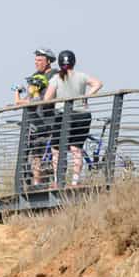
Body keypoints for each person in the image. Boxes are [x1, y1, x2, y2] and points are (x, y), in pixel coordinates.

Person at [42, 50, 102, 185]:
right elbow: (98, 83)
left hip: (63, 116)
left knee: (56, 149)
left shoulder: (56, 78)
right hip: (82, 116)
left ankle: (58, 181)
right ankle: (75, 181)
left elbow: (47, 98)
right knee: (76, 149)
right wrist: (86, 96)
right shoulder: (81, 76)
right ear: (74, 62)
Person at [14, 48, 57, 185]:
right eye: (35, 60)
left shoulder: (55, 75)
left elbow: (45, 98)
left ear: (48, 61)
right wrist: (20, 99)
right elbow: (31, 97)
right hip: (36, 122)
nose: (36, 63)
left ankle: (55, 184)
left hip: (50, 119)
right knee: (36, 154)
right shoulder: (34, 76)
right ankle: (37, 185)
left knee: (52, 153)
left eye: (40, 60)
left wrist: (21, 101)